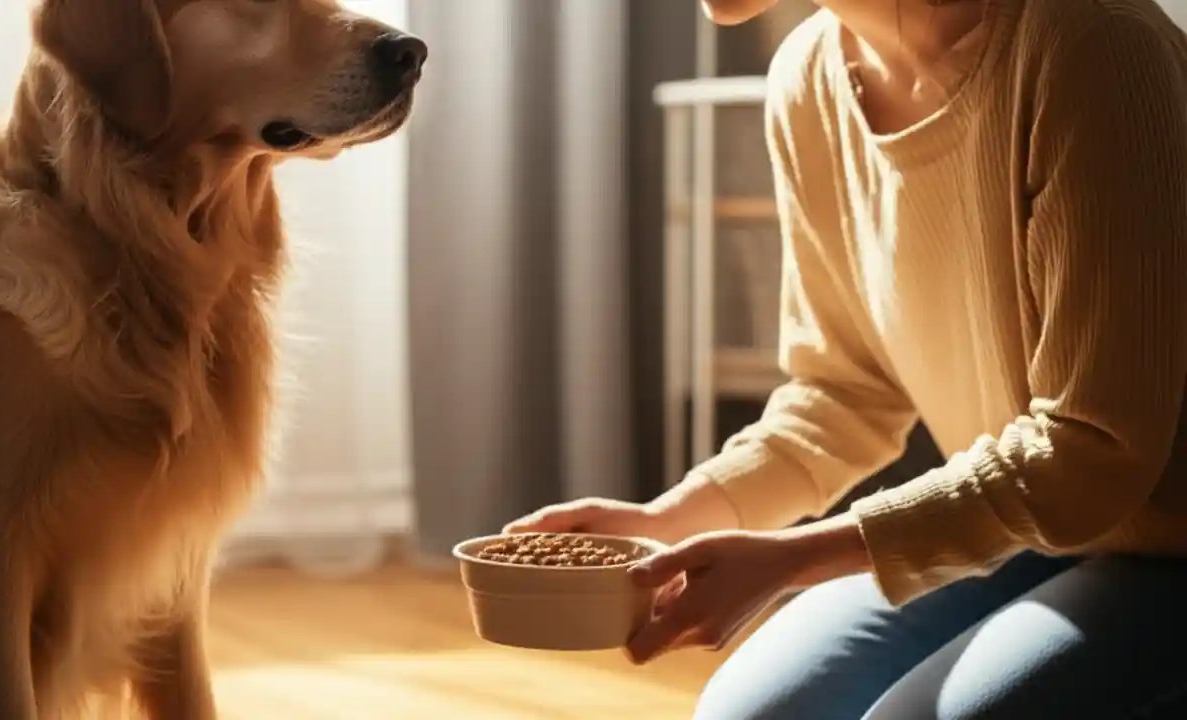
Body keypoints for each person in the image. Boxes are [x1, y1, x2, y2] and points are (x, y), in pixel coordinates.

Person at [508, 0, 1187, 717]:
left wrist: (792, 559)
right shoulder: (810, 75)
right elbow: (845, 390)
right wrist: (670, 520)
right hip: (1035, 532)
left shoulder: (1096, 46)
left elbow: (1092, 453)